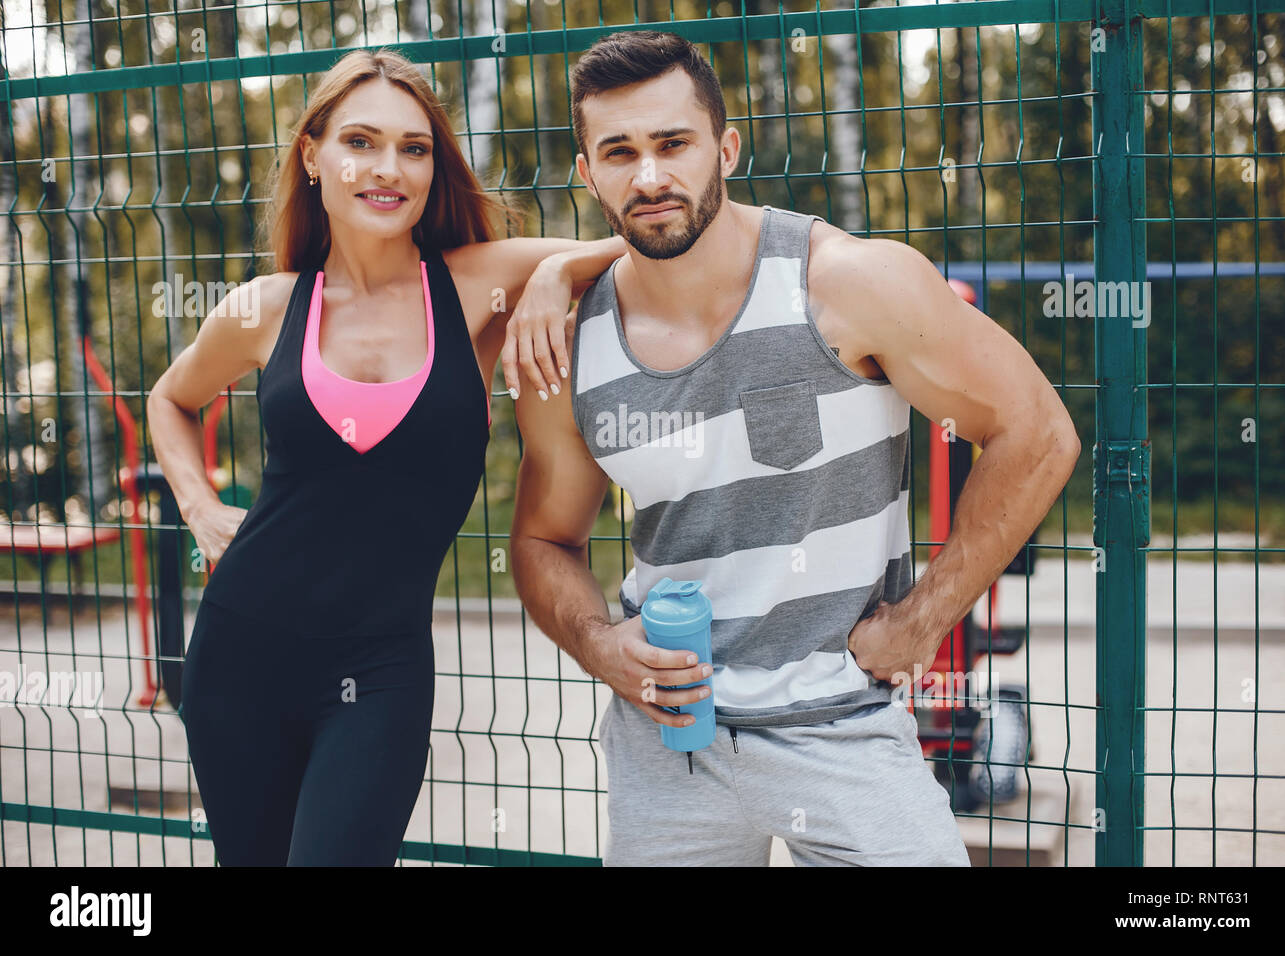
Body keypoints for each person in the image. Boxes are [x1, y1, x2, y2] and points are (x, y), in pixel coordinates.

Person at [509, 30, 1081, 866]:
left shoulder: (850, 284)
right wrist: (601, 646)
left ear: (726, 148)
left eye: (674, 143)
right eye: (619, 152)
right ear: (586, 172)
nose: (650, 176)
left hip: (842, 729)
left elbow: (1037, 433)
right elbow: (540, 539)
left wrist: (922, 621)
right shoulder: (568, 342)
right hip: (668, 741)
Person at [147, 47, 623, 866]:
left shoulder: (477, 287)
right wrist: (198, 504)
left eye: (414, 148)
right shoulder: (265, 309)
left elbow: (647, 242)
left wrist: (554, 276)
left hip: (379, 675)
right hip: (238, 656)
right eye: (360, 142)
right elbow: (169, 398)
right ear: (313, 156)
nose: (387, 168)